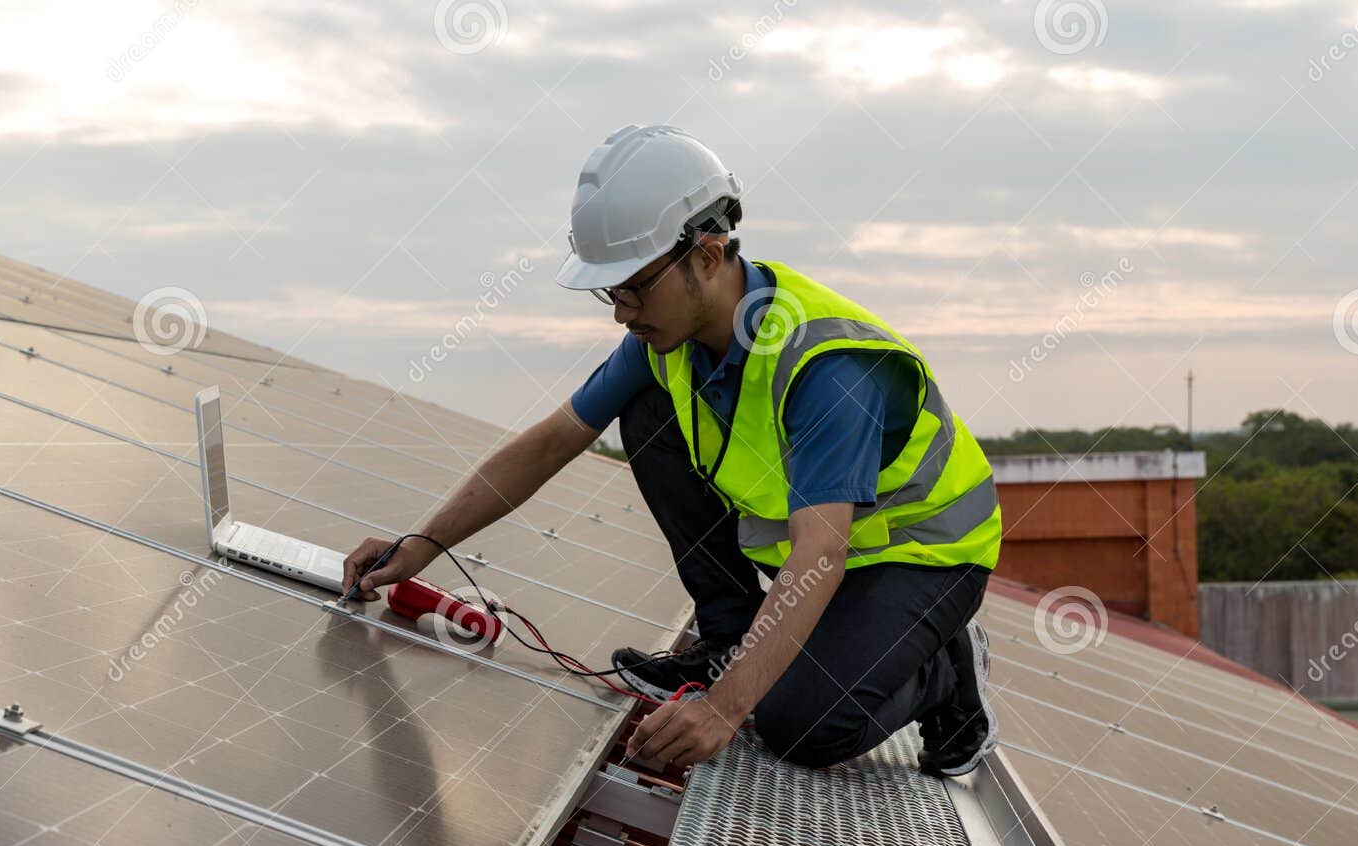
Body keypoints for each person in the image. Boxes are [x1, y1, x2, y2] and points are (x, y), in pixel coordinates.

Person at [344, 124, 1001, 774]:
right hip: (828, 548)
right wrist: (420, 545)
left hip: (920, 553)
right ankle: (727, 635)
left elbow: (820, 553)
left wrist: (722, 708)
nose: (621, 312)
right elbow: (549, 445)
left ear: (708, 257)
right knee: (648, 411)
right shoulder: (667, 343)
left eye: (634, 287)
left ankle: (945, 671)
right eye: (612, 291)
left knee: (797, 725)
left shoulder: (825, 366)